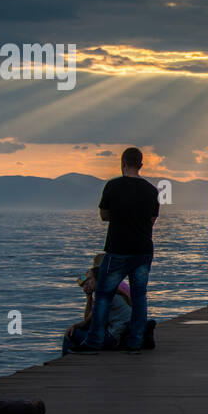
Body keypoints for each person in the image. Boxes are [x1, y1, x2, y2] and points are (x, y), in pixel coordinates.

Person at [70, 147, 159, 354]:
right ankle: (135, 342)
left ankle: (93, 342)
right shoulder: (151, 190)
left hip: (118, 248)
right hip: (143, 249)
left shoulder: (112, 186)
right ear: (141, 165)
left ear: (122, 163)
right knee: (139, 296)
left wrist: (120, 217)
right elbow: (152, 219)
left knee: (103, 295)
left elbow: (104, 215)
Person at [63, 257, 135, 354]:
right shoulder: (110, 289)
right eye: (84, 283)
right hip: (121, 333)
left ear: (98, 279)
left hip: (113, 338)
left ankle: (69, 361)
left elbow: (89, 321)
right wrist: (89, 296)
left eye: (89, 279)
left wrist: (74, 326)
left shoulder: (105, 295)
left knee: (71, 334)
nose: (86, 284)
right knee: (79, 331)